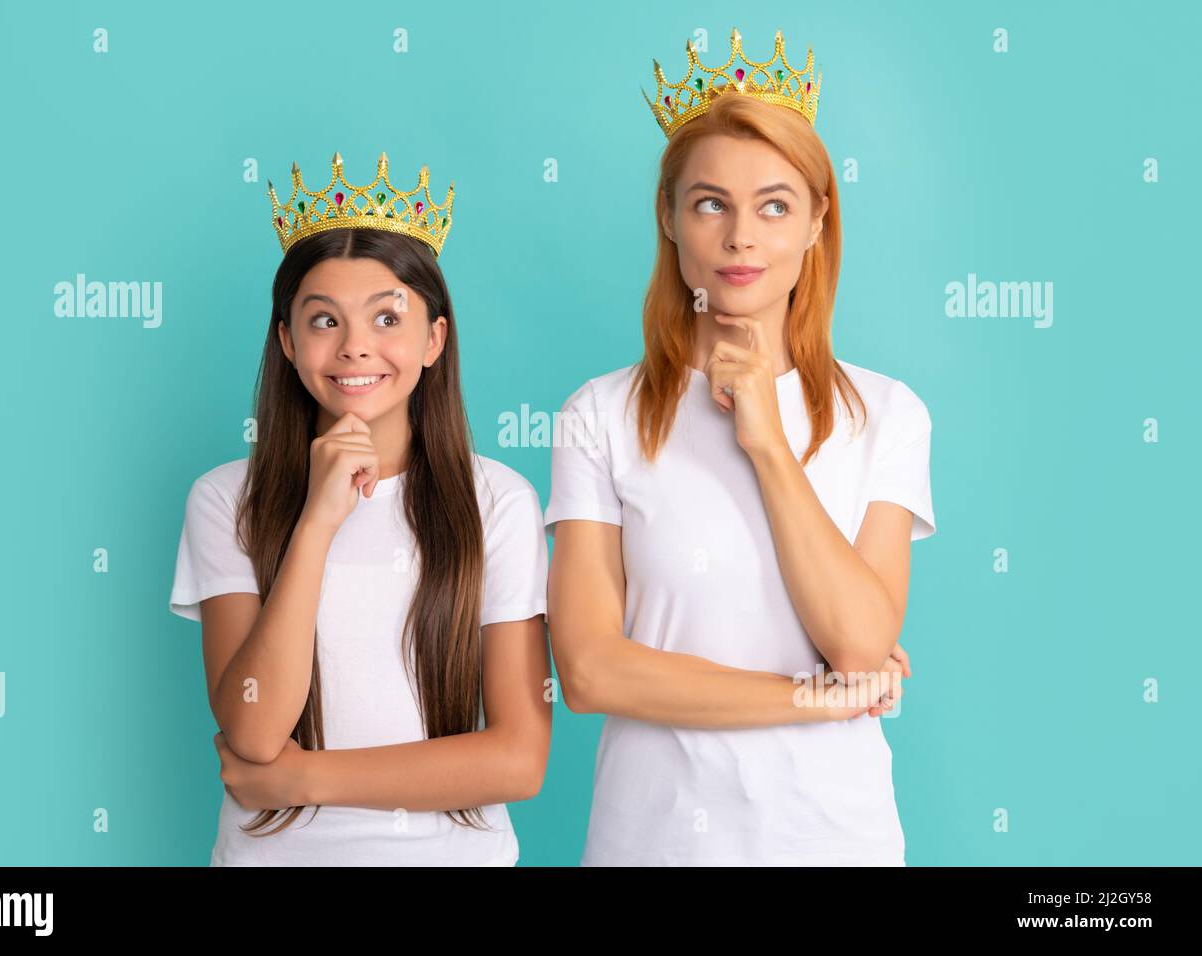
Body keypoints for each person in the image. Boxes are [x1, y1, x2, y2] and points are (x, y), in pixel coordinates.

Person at [544, 28, 936, 865]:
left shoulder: (889, 414)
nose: (740, 238)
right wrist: (814, 698)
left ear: (816, 221)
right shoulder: (598, 416)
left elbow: (862, 645)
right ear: (670, 216)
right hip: (651, 840)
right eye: (711, 202)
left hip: (833, 838)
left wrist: (765, 439)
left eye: (774, 204)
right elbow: (588, 671)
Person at [169, 151, 551, 865]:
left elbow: (518, 759)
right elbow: (252, 730)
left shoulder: (497, 501)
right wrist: (316, 521)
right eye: (323, 321)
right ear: (287, 341)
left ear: (434, 338)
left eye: (387, 317)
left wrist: (303, 778)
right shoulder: (225, 499)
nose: (355, 348)